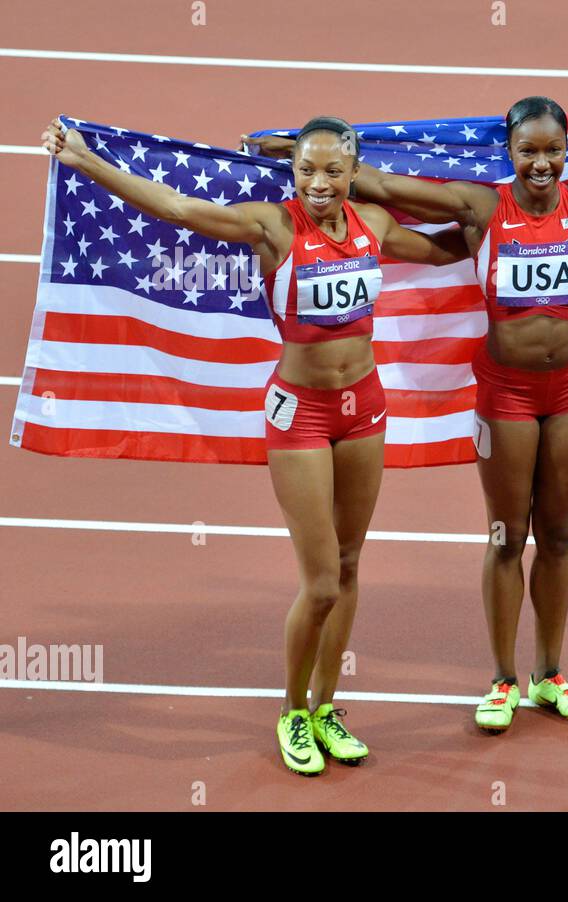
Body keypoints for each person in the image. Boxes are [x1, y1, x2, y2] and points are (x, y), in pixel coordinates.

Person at [251, 98, 568, 735]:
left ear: (566, 152)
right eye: (528, 151)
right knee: (506, 536)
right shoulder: (483, 206)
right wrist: (313, 158)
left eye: (552, 151)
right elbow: (373, 183)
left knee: (560, 534)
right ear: (510, 153)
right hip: (507, 392)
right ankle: (501, 680)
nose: (541, 163)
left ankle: (550, 674)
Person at [44, 115, 470, 774]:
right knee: (323, 582)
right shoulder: (272, 226)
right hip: (300, 414)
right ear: (292, 172)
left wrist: (500, 219)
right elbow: (180, 207)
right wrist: (87, 163)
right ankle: (292, 711)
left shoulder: (376, 225)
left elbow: (446, 252)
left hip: (365, 411)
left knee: (353, 564)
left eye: (333, 170)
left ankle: (327, 709)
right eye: (307, 170)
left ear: (354, 172)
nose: (320, 183)